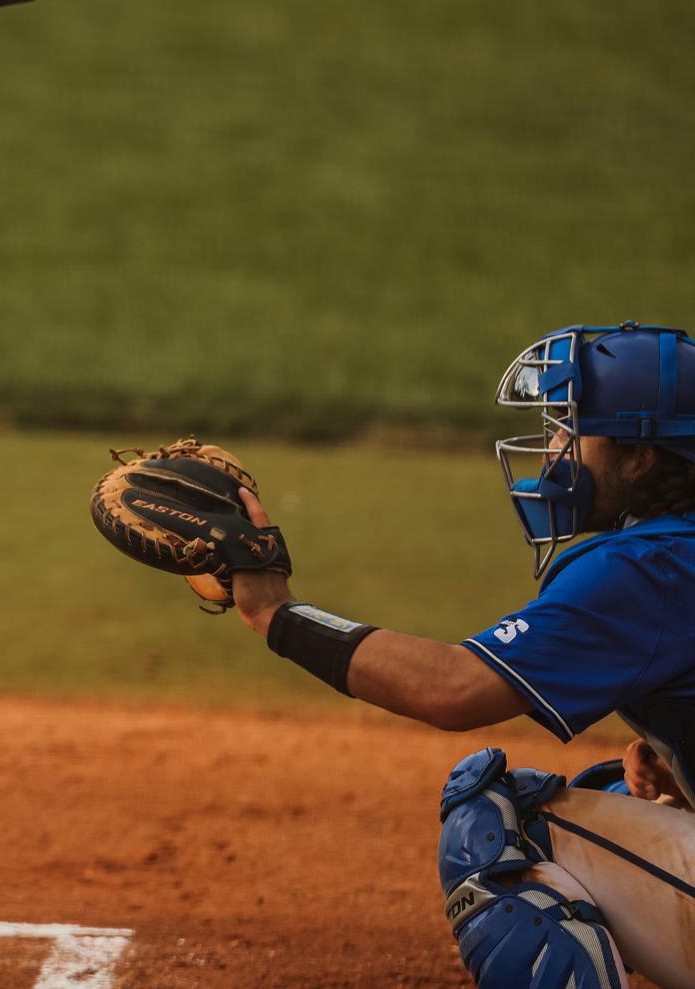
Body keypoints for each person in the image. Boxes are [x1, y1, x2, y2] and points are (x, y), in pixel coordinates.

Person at [226, 321, 695, 987]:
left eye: (571, 428)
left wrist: (277, 614)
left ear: (642, 455)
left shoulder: (651, 565)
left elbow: (452, 687)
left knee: (503, 819)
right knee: (622, 793)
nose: (554, 446)